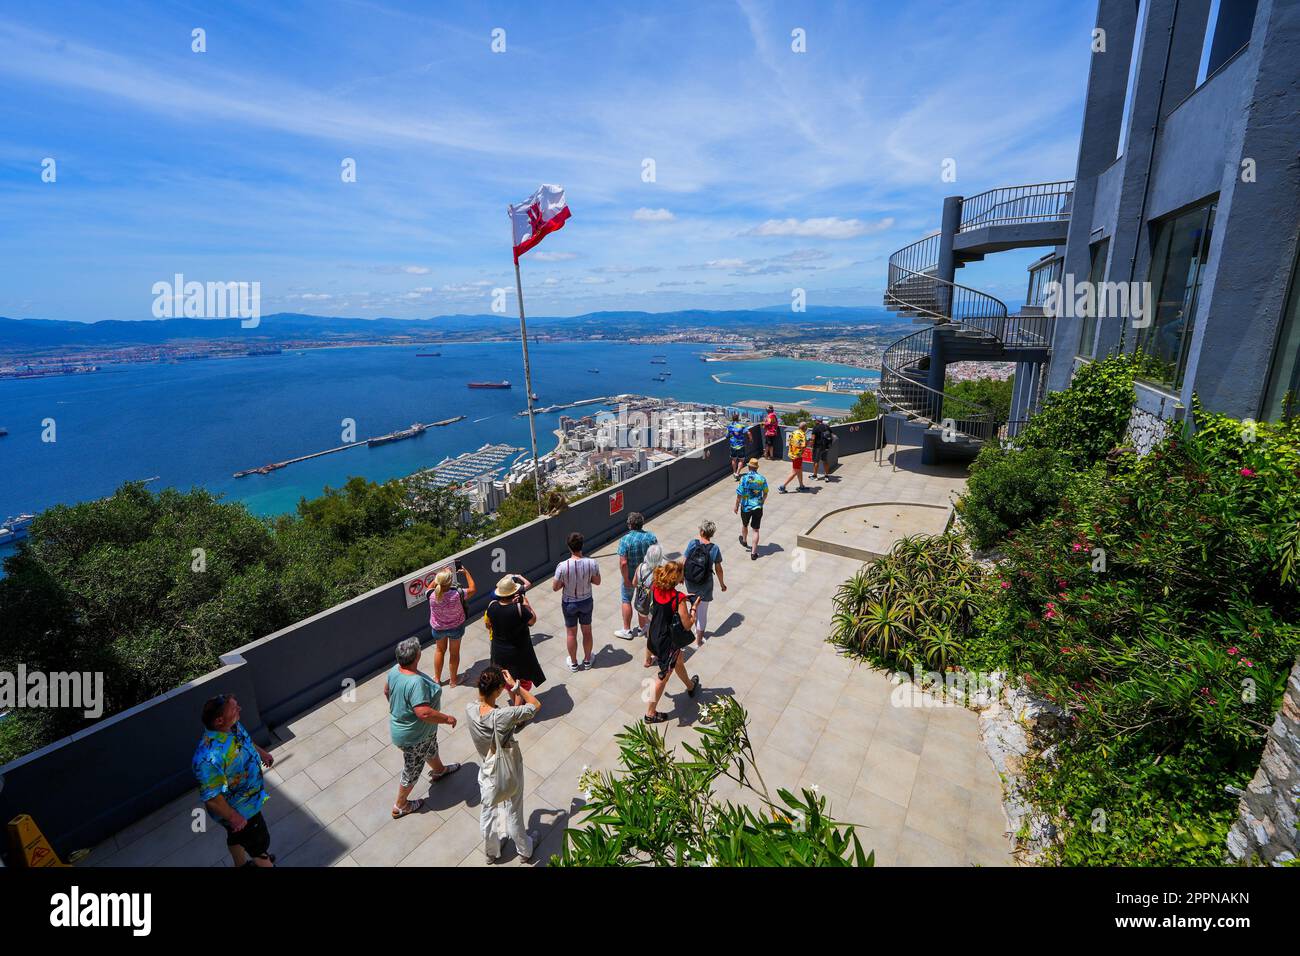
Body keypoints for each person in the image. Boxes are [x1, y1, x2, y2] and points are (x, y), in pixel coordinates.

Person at [466, 665, 541, 863]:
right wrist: (516, 687)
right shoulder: (502, 715)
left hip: (487, 766)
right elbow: (535, 705)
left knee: (489, 811)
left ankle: (491, 852)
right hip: (508, 764)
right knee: (513, 807)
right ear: (499, 690)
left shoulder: (470, 709)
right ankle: (525, 850)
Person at [193, 694, 277, 867]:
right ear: (219, 721)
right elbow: (212, 799)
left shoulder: (232, 726)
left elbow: (245, 741)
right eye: (234, 709)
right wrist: (234, 817)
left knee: (236, 836)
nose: (239, 709)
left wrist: (262, 753)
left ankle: (240, 865)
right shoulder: (208, 757)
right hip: (240, 809)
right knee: (259, 845)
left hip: (247, 800)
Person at [386, 637, 461, 819]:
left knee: (430, 747)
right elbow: (424, 713)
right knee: (412, 768)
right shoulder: (415, 683)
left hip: (420, 733)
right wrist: (447, 718)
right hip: (413, 736)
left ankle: (439, 770)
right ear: (417, 656)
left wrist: (400, 710)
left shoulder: (394, 670)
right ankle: (401, 805)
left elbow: (387, 691)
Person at [644, 562, 702, 723]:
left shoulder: (656, 587)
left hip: (654, 634)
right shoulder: (678, 598)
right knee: (663, 677)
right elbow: (687, 624)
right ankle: (650, 713)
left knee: (679, 661)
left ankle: (690, 686)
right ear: (676, 578)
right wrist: (694, 608)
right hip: (667, 642)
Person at [486, 574, 547, 690]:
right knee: (522, 681)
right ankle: (518, 706)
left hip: (498, 651)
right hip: (518, 652)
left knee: (507, 678)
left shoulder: (491, 606)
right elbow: (532, 621)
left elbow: (489, 624)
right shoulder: (519, 609)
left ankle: (515, 702)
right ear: (513, 593)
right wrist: (527, 606)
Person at [553, 531, 601, 671]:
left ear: (569, 547)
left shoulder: (562, 566)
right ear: (582, 546)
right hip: (586, 601)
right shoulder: (592, 563)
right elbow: (597, 581)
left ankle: (573, 663)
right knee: (587, 631)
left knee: (571, 634)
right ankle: (587, 660)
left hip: (569, 603)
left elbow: (555, 587)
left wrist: (566, 583)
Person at [428, 564, 476, 687]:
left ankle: (437, 679)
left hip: (438, 628)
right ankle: (453, 681)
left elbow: (430, 587)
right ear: (450, 583)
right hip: (456, 627)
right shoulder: (458, 594)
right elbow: (473, 589)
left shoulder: (431, 596)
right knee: (454, 653)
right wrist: (466, 572)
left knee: (439, 651)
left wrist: (441, 576)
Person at [615, 512, 658, 640]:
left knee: (626, 600)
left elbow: (623, 563)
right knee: (643, 598)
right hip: (647, 573)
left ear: (630, 525)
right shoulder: (651, 537)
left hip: (631, 574)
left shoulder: (625, 540)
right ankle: (642, 627)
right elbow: (656, 555)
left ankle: (627, 630)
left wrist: (627, 578)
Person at [683, 520, 725, 646]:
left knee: (693, 606)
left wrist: (680, 577)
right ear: (711, 534)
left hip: (690, 582)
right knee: (702, 613)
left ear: (701, 531)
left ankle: (689, 632)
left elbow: (684, 561)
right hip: (705, 584)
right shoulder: (715, 548)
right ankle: (698, 641)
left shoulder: (692, 543)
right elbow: (718, 569)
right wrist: (722, 584)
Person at [632, 543, 667, 667]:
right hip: (655, 607)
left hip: (643, 604)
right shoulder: (661, 572)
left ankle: (653, 651)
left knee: (651, 628)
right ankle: (649, 658)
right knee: (653, 633)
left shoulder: (640, 567)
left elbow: (634, 583)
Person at [735, 457, 769, 560]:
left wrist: (736, 506)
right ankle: (754, 553)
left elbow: (739, 494)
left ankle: (744, 541)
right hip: (758, 507)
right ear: (757, 468)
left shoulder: (744, 478)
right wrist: (762, 501)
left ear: (749, 467)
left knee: (745, 525)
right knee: (756, 530)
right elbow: (766, 491)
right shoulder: (762, 479)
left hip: (746, 507)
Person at [779, 421, 808, 493]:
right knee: (795, 471)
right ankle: (783, 486)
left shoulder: (794, 432)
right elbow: (803, 445)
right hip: (797, 456)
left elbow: (789, 441)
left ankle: (801, 486)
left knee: (800, 469)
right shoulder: (802, 434)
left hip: (791, 453)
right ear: (804, 428)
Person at [809, 417, 834, 481]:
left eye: (815, 420)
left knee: (816, 461)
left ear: (817, 421)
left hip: (818, 447)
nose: (815, 422)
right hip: (825, 447)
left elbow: (813, 438)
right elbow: (832, 435)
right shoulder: (827, 426)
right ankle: (826, 476)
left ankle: (815, 476)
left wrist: (811, 445)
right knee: (825, 461)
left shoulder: (816, 427)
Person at [726, 413, 749, 480]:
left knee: (734, 459)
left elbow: (727, 436)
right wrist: (750, 439)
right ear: (738, 419)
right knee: (741, 460)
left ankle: (734, 472)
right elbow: (748, 432)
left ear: (732, 419)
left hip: (733, 445)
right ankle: (737, 473)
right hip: (741, 445)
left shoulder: (729, 426)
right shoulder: (741, 426)